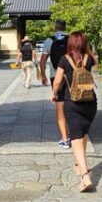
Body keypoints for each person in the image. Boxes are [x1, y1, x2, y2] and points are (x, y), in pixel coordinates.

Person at [51, 31, 97, 192]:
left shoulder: (65, 59)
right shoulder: (89, 58)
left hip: (73, 102)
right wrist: (87, 49)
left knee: (75, 137)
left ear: (70, 43)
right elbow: (94, 63)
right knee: (83, 133)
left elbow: (57, 81)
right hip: (90, 103)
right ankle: (79, 163)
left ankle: (85, 176)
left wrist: (54, 93)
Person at [40, 20, 70, 148]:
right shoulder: (71, 39)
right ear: (65, 27)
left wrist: (43, 75)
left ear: (55, 27)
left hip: (55, 76)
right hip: (71, 76)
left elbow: (42, 61)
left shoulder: (49, 40)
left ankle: (64, 138)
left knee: (60, 107)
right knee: (72, 104)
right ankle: (72, 134)